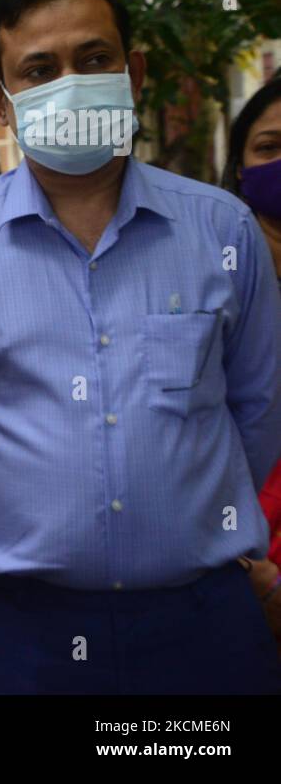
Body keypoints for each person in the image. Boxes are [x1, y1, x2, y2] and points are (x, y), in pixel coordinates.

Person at [0, 0, 281, 693]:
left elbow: (255, 409)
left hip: (206, 620)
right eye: (41, 68)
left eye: (95, 59)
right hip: (22, 632)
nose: (72, 81)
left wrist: (190, 528)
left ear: (135, 72)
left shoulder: (224, 230)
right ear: (0, 102)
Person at [223, 75, 281, 649]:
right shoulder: (207, 280)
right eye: (269, 148)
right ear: (239, 166)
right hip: (238, 579)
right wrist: (258, 576)